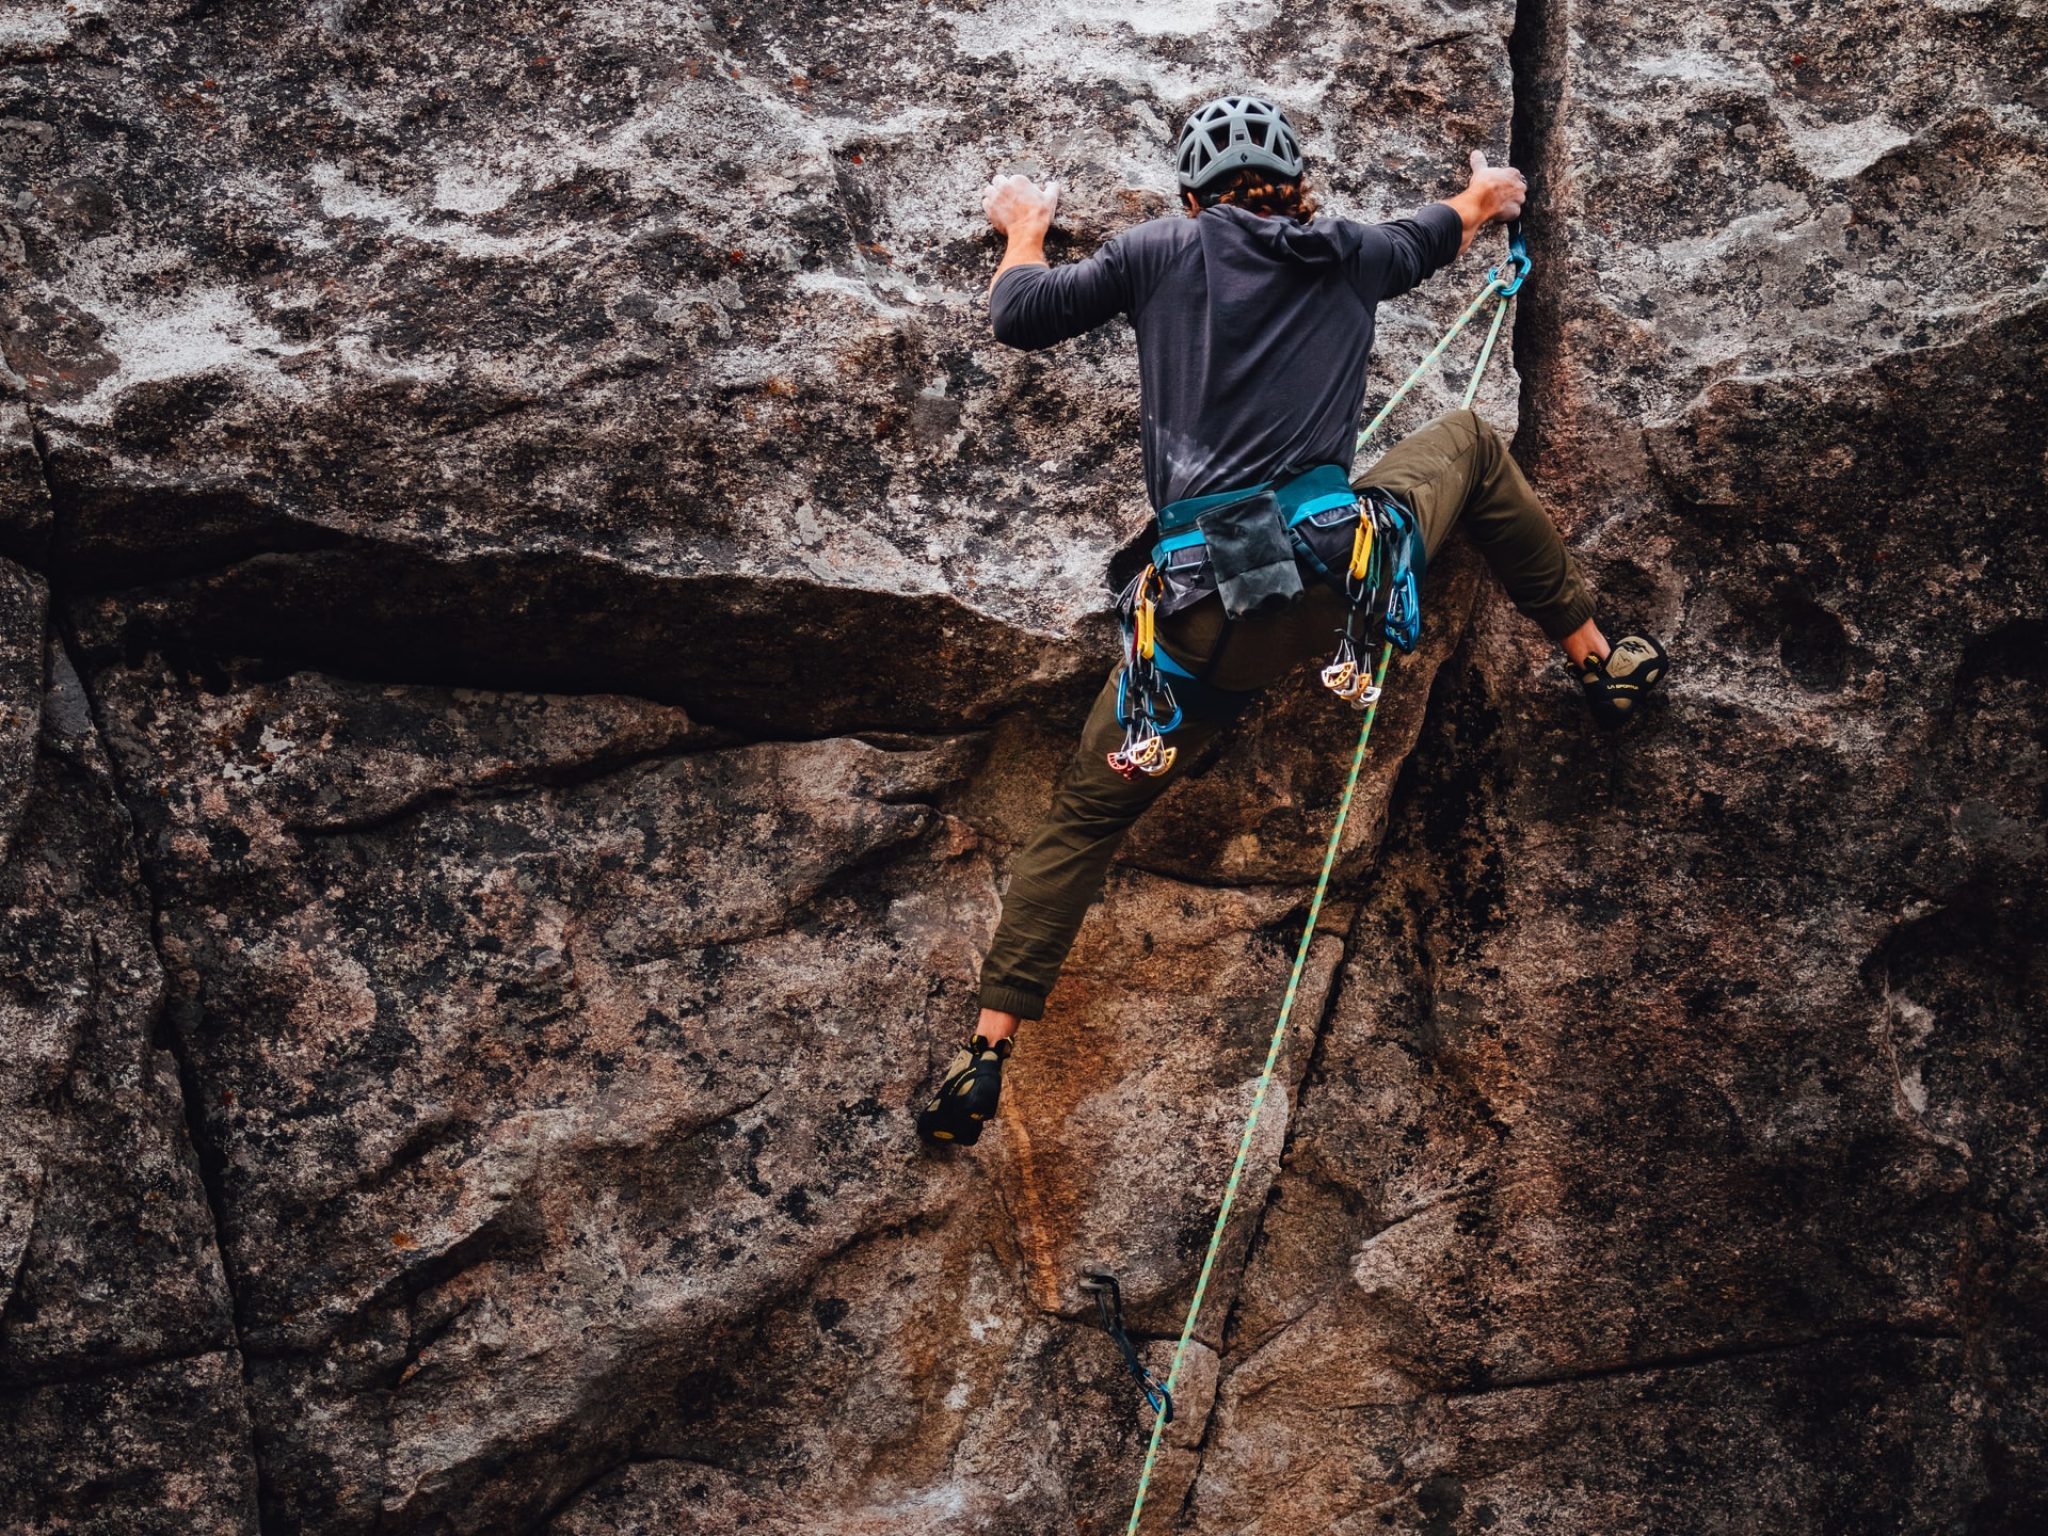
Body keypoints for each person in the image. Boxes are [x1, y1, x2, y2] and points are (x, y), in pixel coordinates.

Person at [917, 96, 1668, 1147]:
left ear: (1191, 196)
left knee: (1082, 822)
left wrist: (1023, 229)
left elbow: (1019, 314)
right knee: (1464, 442)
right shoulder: (1351, 252)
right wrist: (1489, 193)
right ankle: (1598, 659)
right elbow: (1455, 219)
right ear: (1294, 183)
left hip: (1186, 629)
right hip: (1326, 585)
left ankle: (985, 1051)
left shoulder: (1154, 252)